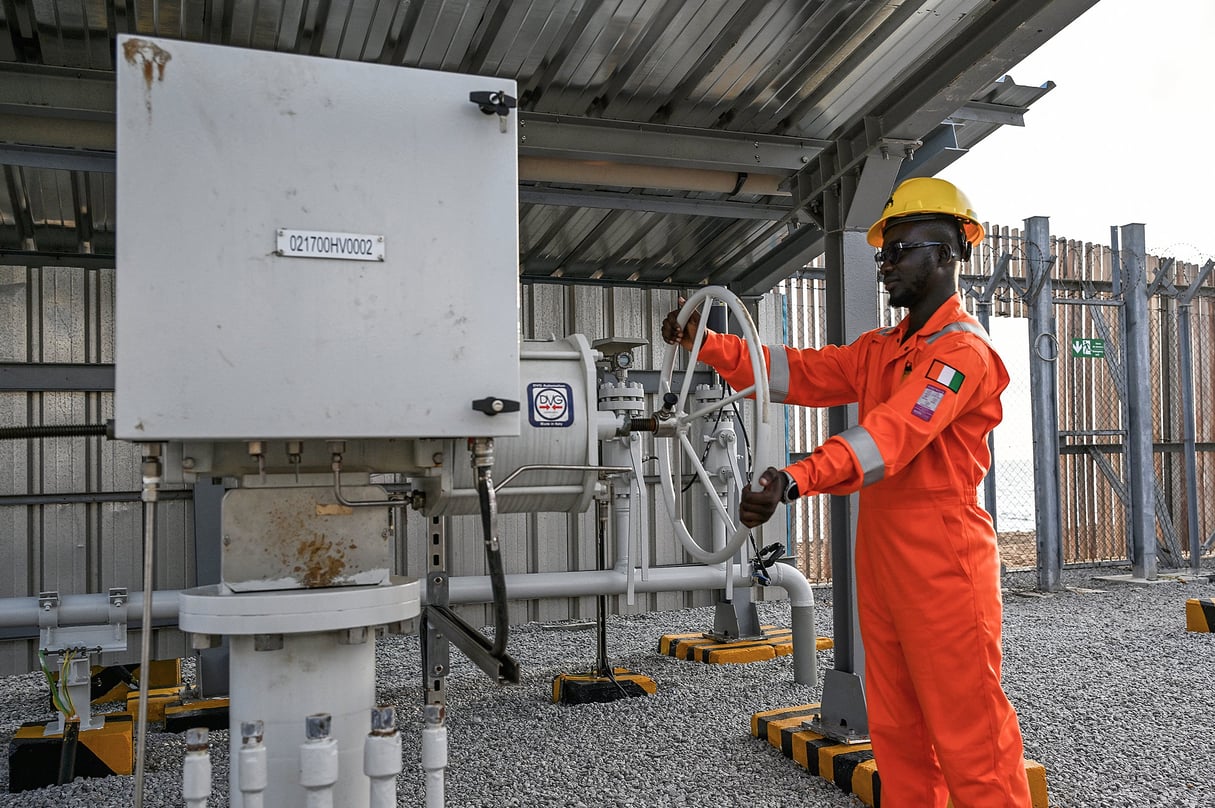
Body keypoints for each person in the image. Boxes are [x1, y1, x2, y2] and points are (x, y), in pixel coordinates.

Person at [662, 176, 1031, 807]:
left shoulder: (964, 354)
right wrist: (709, 344)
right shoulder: (882, 351)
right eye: (882, 253)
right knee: (899, 736)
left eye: (900, 250)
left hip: (944, 562)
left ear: (947, 255)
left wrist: (795, 477)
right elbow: (794, 371)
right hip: (884, 557)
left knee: (971, 740)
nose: (885, 265)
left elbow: (892, 437)